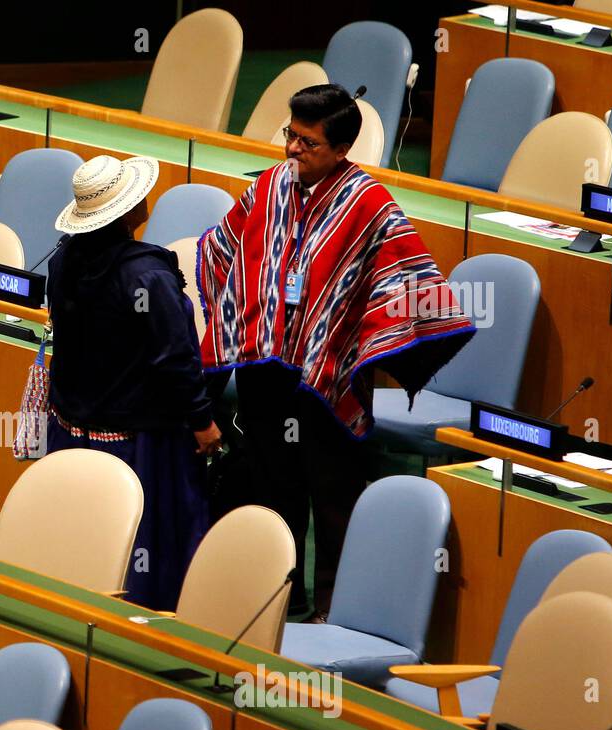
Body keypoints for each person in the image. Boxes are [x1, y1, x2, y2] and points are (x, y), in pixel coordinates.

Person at [195, 85, 475, 621]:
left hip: (330, 377)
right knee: (271, 490)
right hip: (266, 370)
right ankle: (278, 604)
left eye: (308, 143)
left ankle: (331, 612)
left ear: (342, 149)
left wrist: (373, 334)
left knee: (333, 500)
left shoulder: (371, 202)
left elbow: (409, 275)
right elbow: (224, 247)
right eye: (290, 136)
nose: (293, 151)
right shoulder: (270, 185)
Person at [46, 154, 221, 611]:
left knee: (79, 536)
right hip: (138, 443)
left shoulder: (63, 261)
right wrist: (202, 420)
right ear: (129, 211)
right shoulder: (147, 275)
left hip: (71, 432)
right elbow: (175, 357)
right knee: (143, 546)